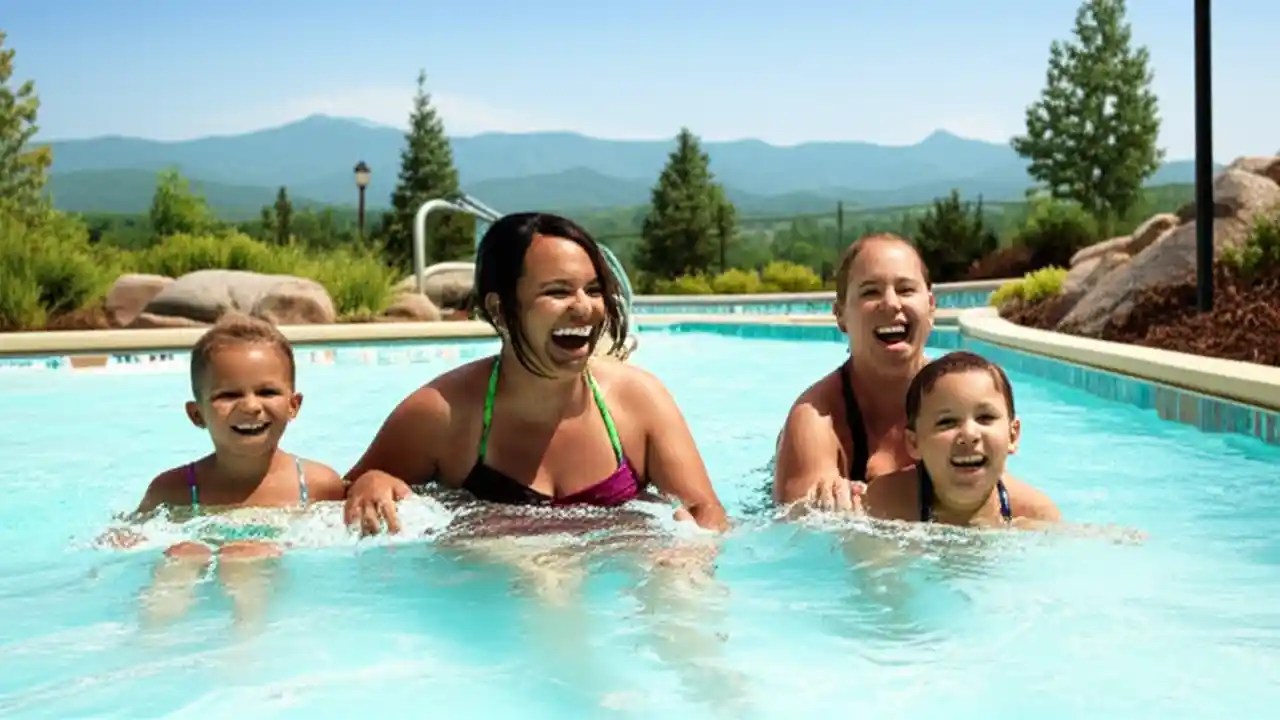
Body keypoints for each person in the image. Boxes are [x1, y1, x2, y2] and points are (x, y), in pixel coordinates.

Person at [341, 211, 728, 535]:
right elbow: (336, 501)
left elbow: (706, 512)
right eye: (558, 292)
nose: (584, 308)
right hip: (496, 592)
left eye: (593, 290)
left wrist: (691, 555)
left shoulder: (639, 399)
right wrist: (370, 481)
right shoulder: (443, 414)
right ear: (499, 310)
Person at [107, 313, 345, 626]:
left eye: (267, 392)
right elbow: (127, 536)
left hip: (265, 582)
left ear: (293, 405)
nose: (250, 406)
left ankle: (247, 643)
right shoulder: (174, 489)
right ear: (197, 414)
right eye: (228, 395)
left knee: (246, 558)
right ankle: (152, 637)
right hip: (186, 564)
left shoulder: (316, 484)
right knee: (183, 554)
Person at [773, 232, 936, 510]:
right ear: (841, 315)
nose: (891, 303)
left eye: (906, 289)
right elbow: (802, 537)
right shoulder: (816, 420)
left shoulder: (965, 394)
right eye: (870, 291)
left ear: (931, 306)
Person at [858, 351, 1060, 526]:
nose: (969, 435)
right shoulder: (885, 503)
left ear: (1012, 435)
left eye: (985, 418)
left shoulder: (1034, 516)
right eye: (947, 422)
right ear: (914, 443)